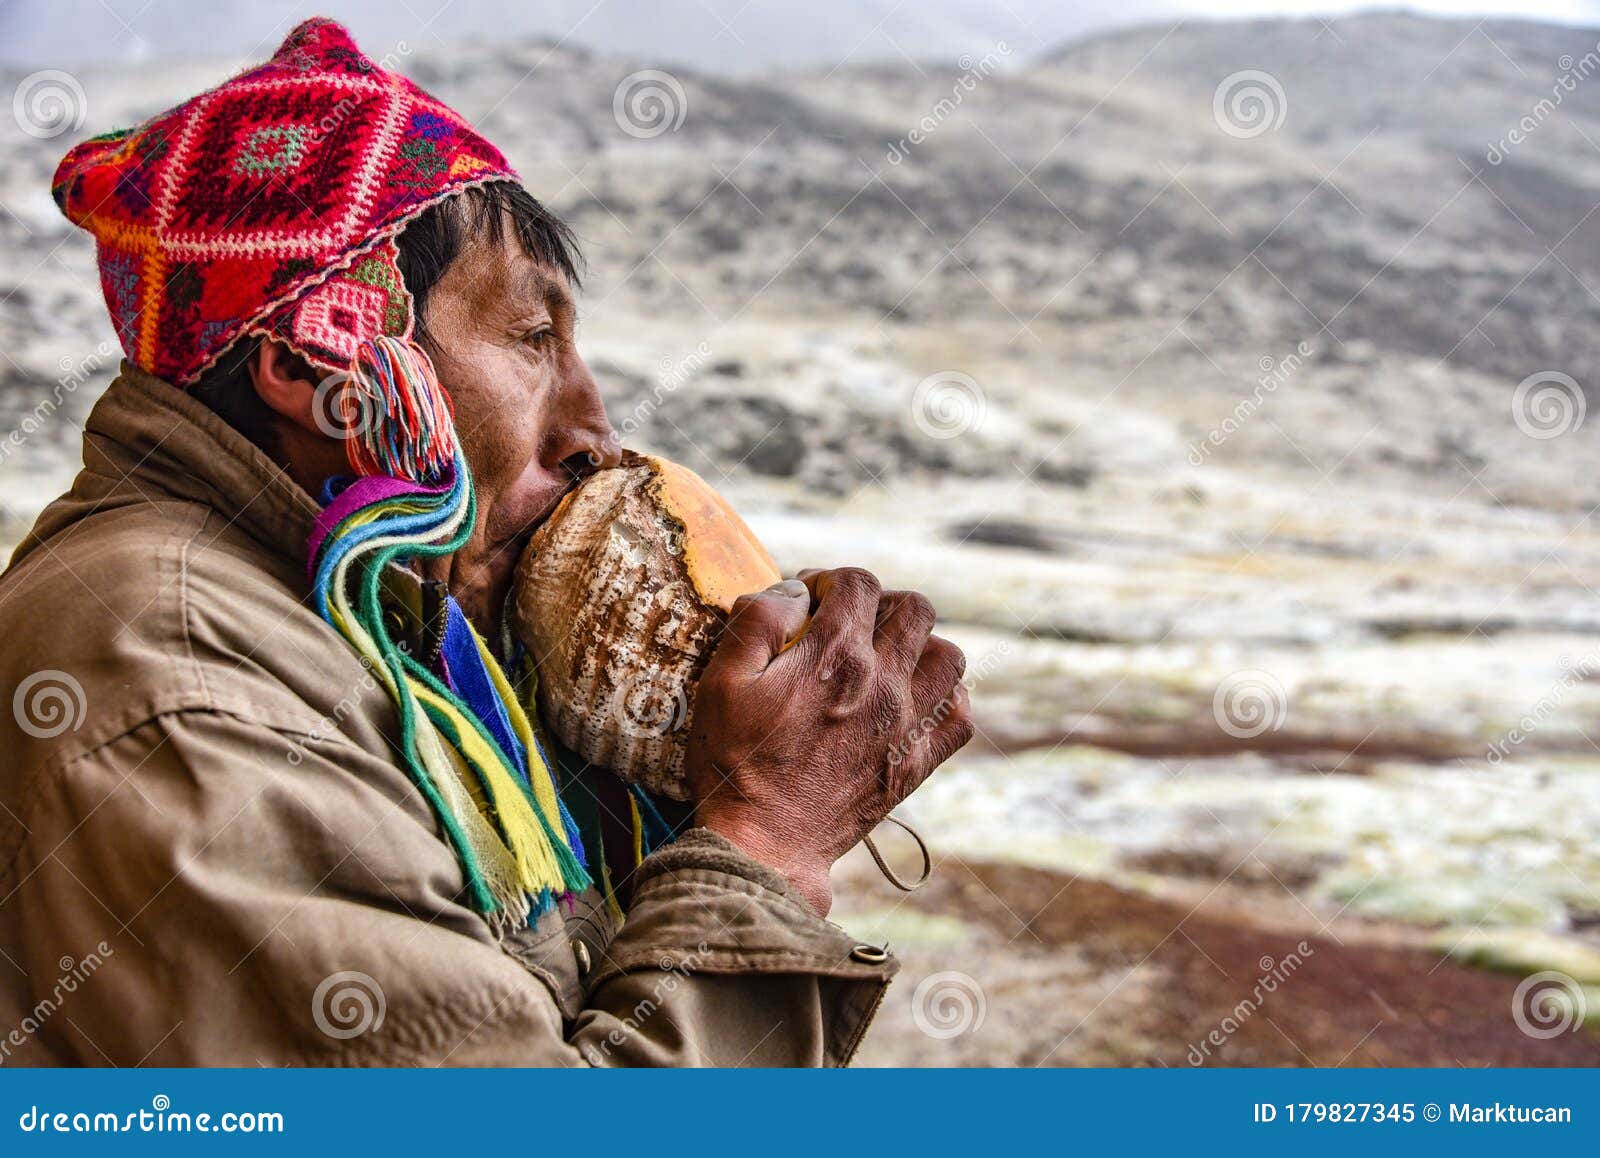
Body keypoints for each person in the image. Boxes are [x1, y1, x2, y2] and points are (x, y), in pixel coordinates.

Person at [0, 18, 972, 1066]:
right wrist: (768, 841)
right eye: (532, 338)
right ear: (314, 366)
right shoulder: (176, 682)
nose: (593, 426)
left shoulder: (386, 626)